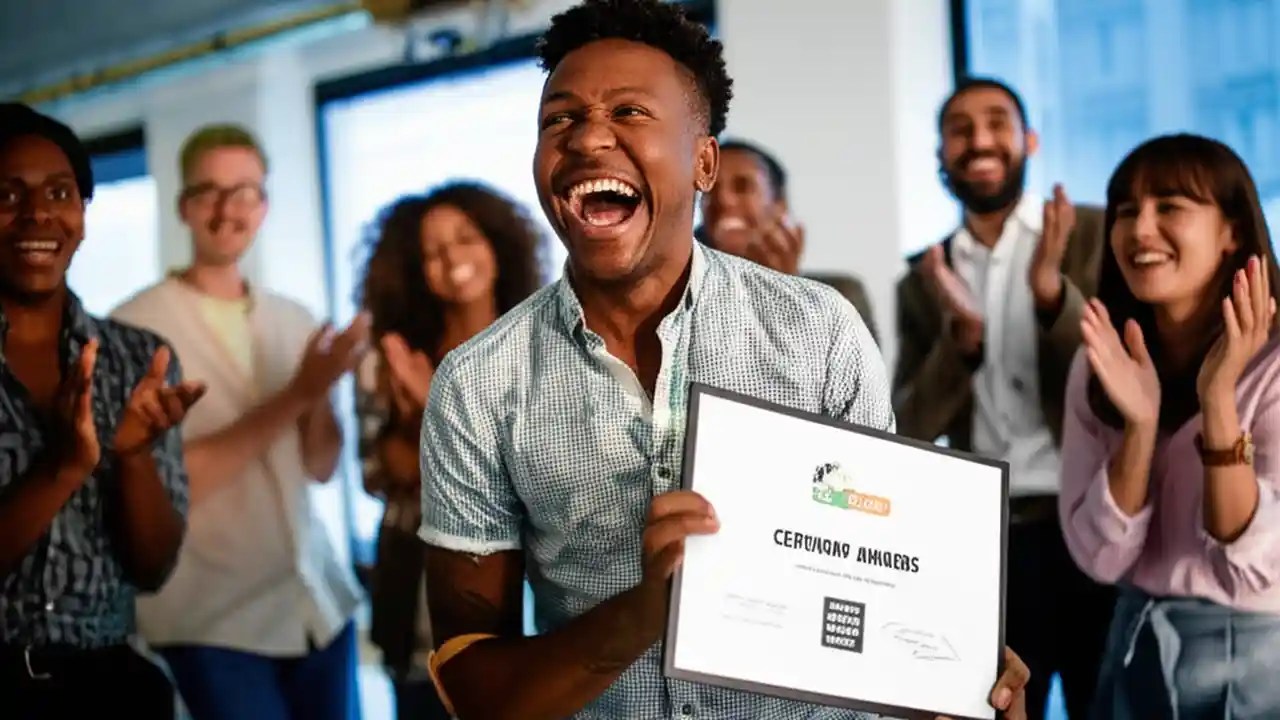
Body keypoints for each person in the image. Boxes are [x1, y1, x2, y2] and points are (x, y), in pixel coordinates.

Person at [418, 2, 1030, 719]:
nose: (587, 139)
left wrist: (952, 670)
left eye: (629, 113)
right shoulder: (477, 385)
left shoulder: (818, 330)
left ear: (704, 162)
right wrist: (648, 613)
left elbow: (880, 581)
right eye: (559, 119)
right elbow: (471, 686)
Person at [111, 124, 367, 720]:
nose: (229, 210)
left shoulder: (294, 316)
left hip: (317, 606)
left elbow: (321, 467)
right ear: (182, 206)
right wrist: (299, 391)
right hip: (213, 622)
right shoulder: (133, 329)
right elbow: (172, 482)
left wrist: (323, 389)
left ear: (264, 205)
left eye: (245, 192)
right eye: (209, 192)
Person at [893, 77, 1113, 719]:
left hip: (1091, 527)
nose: (979, 139)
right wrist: (959, 346)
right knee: (1002, 707)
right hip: (987, 541)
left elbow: (1115, 384)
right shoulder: (921, 277)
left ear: (1029, 142)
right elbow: (908, 424)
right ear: (940, 155)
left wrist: (1051, 295)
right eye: (960, 129)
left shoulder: (1090, 235)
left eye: (997, 122)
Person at [1060, 134, 1280, 718]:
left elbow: (1256, 562)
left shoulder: (1277, 364)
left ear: (1232, 230)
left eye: (1170, 206)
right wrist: (1140, 425)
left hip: (1260, 658)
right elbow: (1099, 559)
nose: (1140, 229)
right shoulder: (1099, 359)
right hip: (1134, 642)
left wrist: (1219, 399)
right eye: (1126, 211)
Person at [0, 103, 204, 718]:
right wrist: (62, 468)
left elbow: (151, 568)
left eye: (59, 192)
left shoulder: (140, 360)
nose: (37, 212)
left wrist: (133, 455)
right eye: (7, 194)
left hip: (112, 687)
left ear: (83, 216)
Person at [354, 182, 544, 720]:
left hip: (539, 597)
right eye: (432, 251)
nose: (452, 259)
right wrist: (418, 415)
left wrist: (431, 416)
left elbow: (538, 477)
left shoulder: (545, 346)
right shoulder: (390, 358)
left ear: (497, 246)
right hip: (417, 599)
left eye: (465, 238)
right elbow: (379, 475)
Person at [698, 139, 878, 342]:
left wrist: (785, 297)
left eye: (743, 187)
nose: (723, 200)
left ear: (779, 206)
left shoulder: (841, 296)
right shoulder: (682, 299)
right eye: (710, 190)